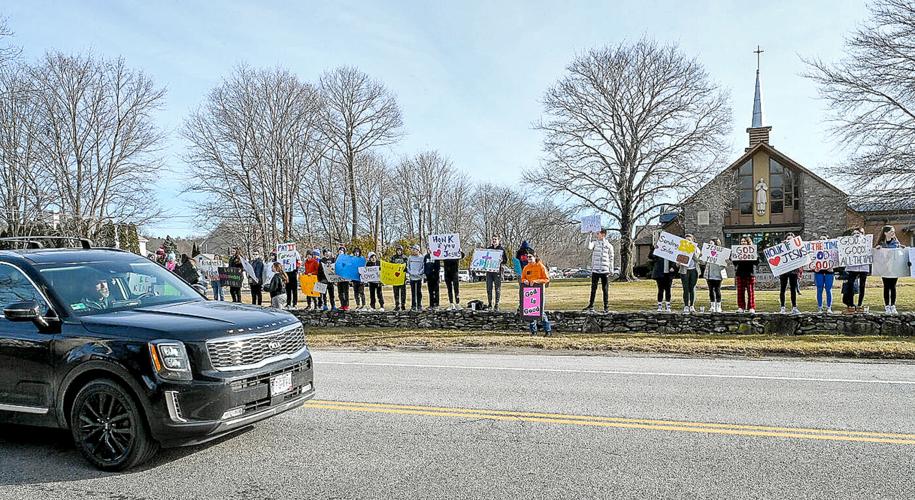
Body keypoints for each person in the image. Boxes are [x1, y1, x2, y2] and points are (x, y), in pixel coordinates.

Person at [876, 225, 905, 314]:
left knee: (893, 287)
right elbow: (877, 255)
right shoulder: (881, 244)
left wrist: (902, 249)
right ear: (885, 233)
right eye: (891, 232)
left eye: (893, 232)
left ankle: (893, 305)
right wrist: (878, 249)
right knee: (886, 286)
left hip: (894, 268)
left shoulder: (896, 243)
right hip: (884, 268)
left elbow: (900, 254)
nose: (893, 233)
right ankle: (887, 306)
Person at [521, 253, 552, 336]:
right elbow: (523, 278)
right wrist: (524, 281)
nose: (528, 258)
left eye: (530, 257)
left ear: (535, 257)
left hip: (538, 292)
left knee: (540, 312)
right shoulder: (526, 267)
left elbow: (546, 279)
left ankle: (548, 331)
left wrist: (536, 281)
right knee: (530, 312)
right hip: (528, 292)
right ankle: (533, 332)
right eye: (527, 257)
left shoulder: (541, 266)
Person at [584, 229, 614, 313]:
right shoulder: (595, 243)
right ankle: (591, 305)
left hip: (605, 270)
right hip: (596, 270)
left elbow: (611, 258)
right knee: (593, 288)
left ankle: (606, 306)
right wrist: (589, 236)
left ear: (603, 234)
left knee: (605, 289)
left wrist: (611, 269)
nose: (597, 235)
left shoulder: (609, 246)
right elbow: (588, 246)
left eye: (598, 233)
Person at [842, 227, 869, 313]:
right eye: (853, 234)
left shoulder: (866, 243)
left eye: (858, 233)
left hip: (863, 266)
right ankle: (851, 304)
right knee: (850, 284)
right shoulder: (848, 244)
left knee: (862, 285)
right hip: (852, 267)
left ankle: (860, 304)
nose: (856, 236)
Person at [733, 236, 758, 313]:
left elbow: (756, 263)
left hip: (750, 273)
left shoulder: (752, 251)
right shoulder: (738, 251)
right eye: (742, 242)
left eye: (744, 241)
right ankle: (741, 307)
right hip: (740, 273)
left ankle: (751, 307)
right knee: (740, 292)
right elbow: (735, 264)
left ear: (748, 242)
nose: (743, 243)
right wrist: (733, 257)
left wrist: (755, 256)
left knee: (750, 291)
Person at [702, 238, 726, 313]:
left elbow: (724, 265)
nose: (710, 245)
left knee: (717, 290)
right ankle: (712, 306)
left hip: (718, 274)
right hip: (709, 274)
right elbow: (703, 262)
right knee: (711, 290)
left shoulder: (721, 253)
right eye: (710, 244)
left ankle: (718, 306)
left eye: (712, 244)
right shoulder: (707, 253)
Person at [813, 234, 835, 314]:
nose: (822, 240)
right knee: (819, 289)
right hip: (819, 271)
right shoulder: (815, 249)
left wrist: (832, 266)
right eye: (820, 239)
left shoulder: (832, 249)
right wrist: (814, 267)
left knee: (828, 289)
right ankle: (820, 307)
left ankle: (829, 307)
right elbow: (812, 259)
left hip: (829, 271)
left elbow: (835, 259)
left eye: (824, 239)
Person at [779, 233, 801, 314]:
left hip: (793, 271)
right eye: (788, 239)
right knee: (782, 289)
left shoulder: (797, 248)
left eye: (791, 239)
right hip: (784, 271)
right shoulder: (781, 248)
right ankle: (782, 307)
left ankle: (794, 307)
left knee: (793, 290)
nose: (789, 241)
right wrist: (782, 246)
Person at [485, 236, 508, 310]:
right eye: (493, 239)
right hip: (489, 272)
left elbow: (505, 260)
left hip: (497, 271)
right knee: (489, 288)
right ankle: (489, 304)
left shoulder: (501, 249)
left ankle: (496, 304)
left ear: (498, 240)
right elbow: (484, 259)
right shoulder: (488, 249)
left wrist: (502, 260)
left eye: (495, 239)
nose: (494, 241)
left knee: (497, 288)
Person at [679, 234, 700, 313]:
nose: (688, 242)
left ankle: (692, 305)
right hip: (684, 271)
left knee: (692, 288)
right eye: (686, 240)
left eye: (689, 240)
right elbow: (678, 260)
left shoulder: (696, 249)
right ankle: (686, 306)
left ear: (693, 241)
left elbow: (698, 260)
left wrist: (692, 251)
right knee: (685, 288)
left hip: (693, 270)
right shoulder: (681, 249)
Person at [515, 241, 534, 312]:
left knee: (524, 289)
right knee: (527, 289)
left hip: (525, 273)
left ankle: (524, 304)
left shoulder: (520, 252)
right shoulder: (522, 252)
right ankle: (525, 304)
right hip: (525, 273)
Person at [389, 245, 409, 311]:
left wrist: (405, 269)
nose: (399, 251)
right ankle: (397, 305)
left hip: (402, 278)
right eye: (398, 250)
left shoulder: (405, 258)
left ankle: (403, 305)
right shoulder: (393, 257)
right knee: (396, 292)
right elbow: (390, 266)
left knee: (403, 292)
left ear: (402, 250)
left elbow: (408, 266)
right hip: (395, 278)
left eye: (400, 250)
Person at [407, 245, 425, 311]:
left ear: (418, 250)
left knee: (419, 292)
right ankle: (413, 306)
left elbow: (423, 267)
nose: (413, 251)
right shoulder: (410, 257)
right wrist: (410, 272)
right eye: (413, 249)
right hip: (412, 278)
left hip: (419, 277)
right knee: (413, 292)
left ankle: (419, 305)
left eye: (415, 249)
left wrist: (420, 272)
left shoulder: (422, 257)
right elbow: (407, 266)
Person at [336, 246, 351, 311]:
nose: (340, 252)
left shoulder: (347, 258)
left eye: (342, 251)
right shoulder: (336, 259)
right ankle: (342, 304)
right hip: (339, 278)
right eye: (339, 251)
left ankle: (346, 305)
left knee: (345, 292)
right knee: (340, 292)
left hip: (345, 278)